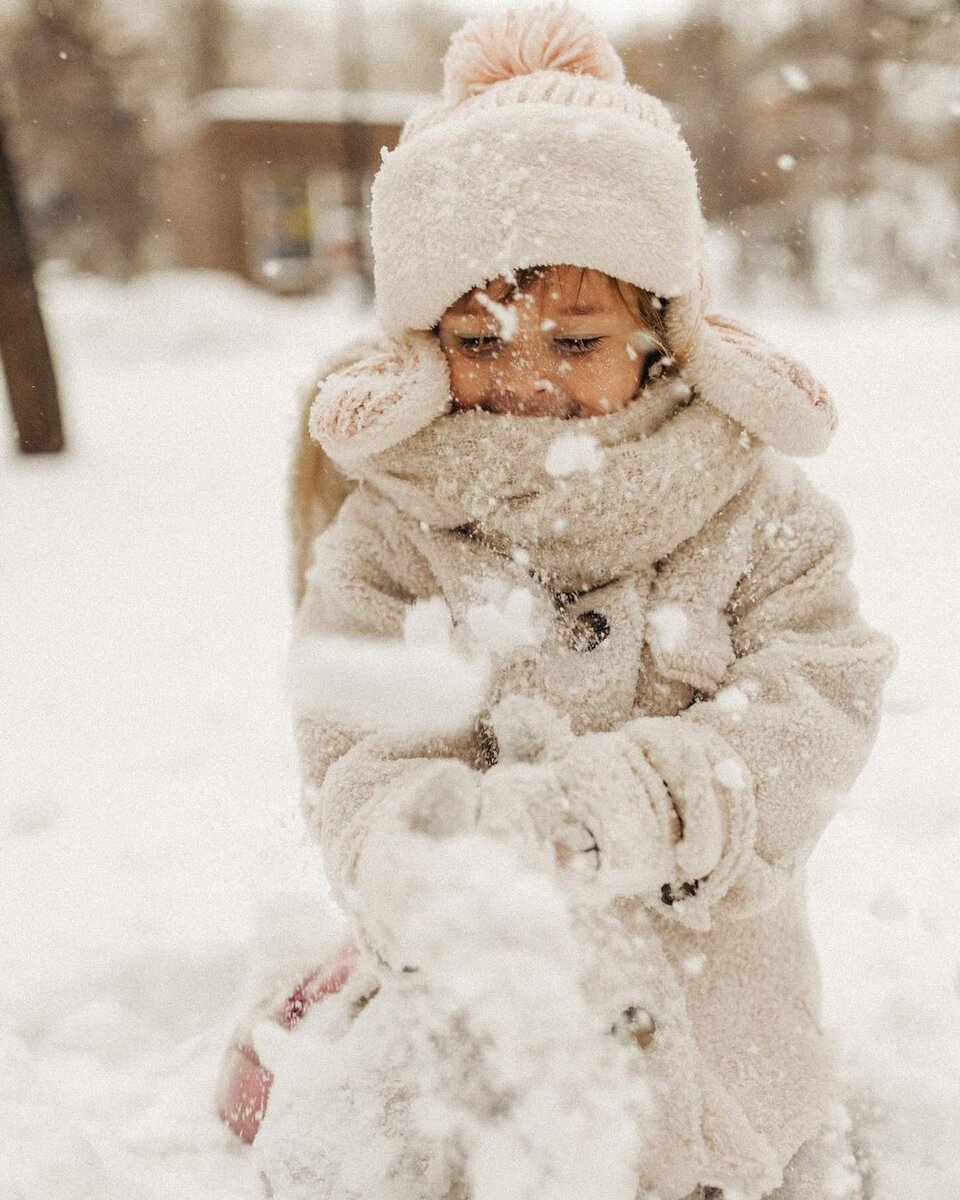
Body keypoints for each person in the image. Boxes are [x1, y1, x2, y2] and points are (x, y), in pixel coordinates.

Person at [220, 8, 896, 1199]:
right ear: (421, 345)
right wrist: (446, 865)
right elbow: (362, 769)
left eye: (576, 339)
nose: (525, 379)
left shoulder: (758, 510)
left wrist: (623, 806)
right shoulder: (391, 533)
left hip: (724, 1060)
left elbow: (817, 710)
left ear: (662, 331)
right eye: (476, 341)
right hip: (477, 1062)